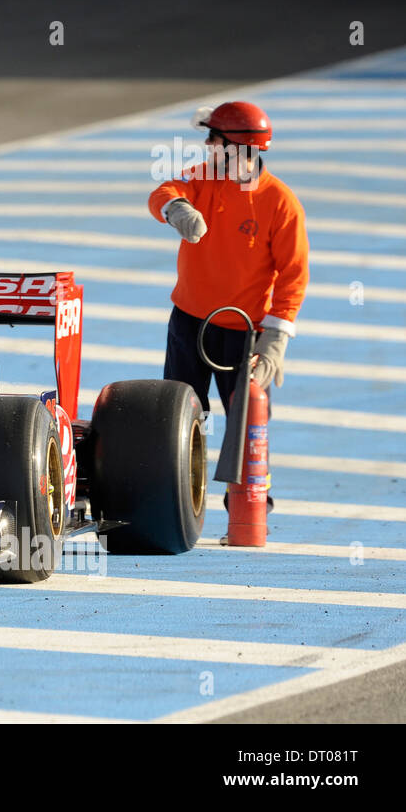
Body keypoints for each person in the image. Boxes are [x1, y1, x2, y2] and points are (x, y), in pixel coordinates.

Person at [148, 101, 309, 509]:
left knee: (249, 420)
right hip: (189, 323)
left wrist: (275, 338)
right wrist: (177, 209)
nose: (206, 146)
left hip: (244, 335)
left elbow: (293, 274)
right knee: (179, 414)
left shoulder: (280, 203)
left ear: (237, 147)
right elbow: (164, 191)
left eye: (213, 139)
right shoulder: (202, 179)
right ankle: (177, 498)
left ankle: (250, 500)